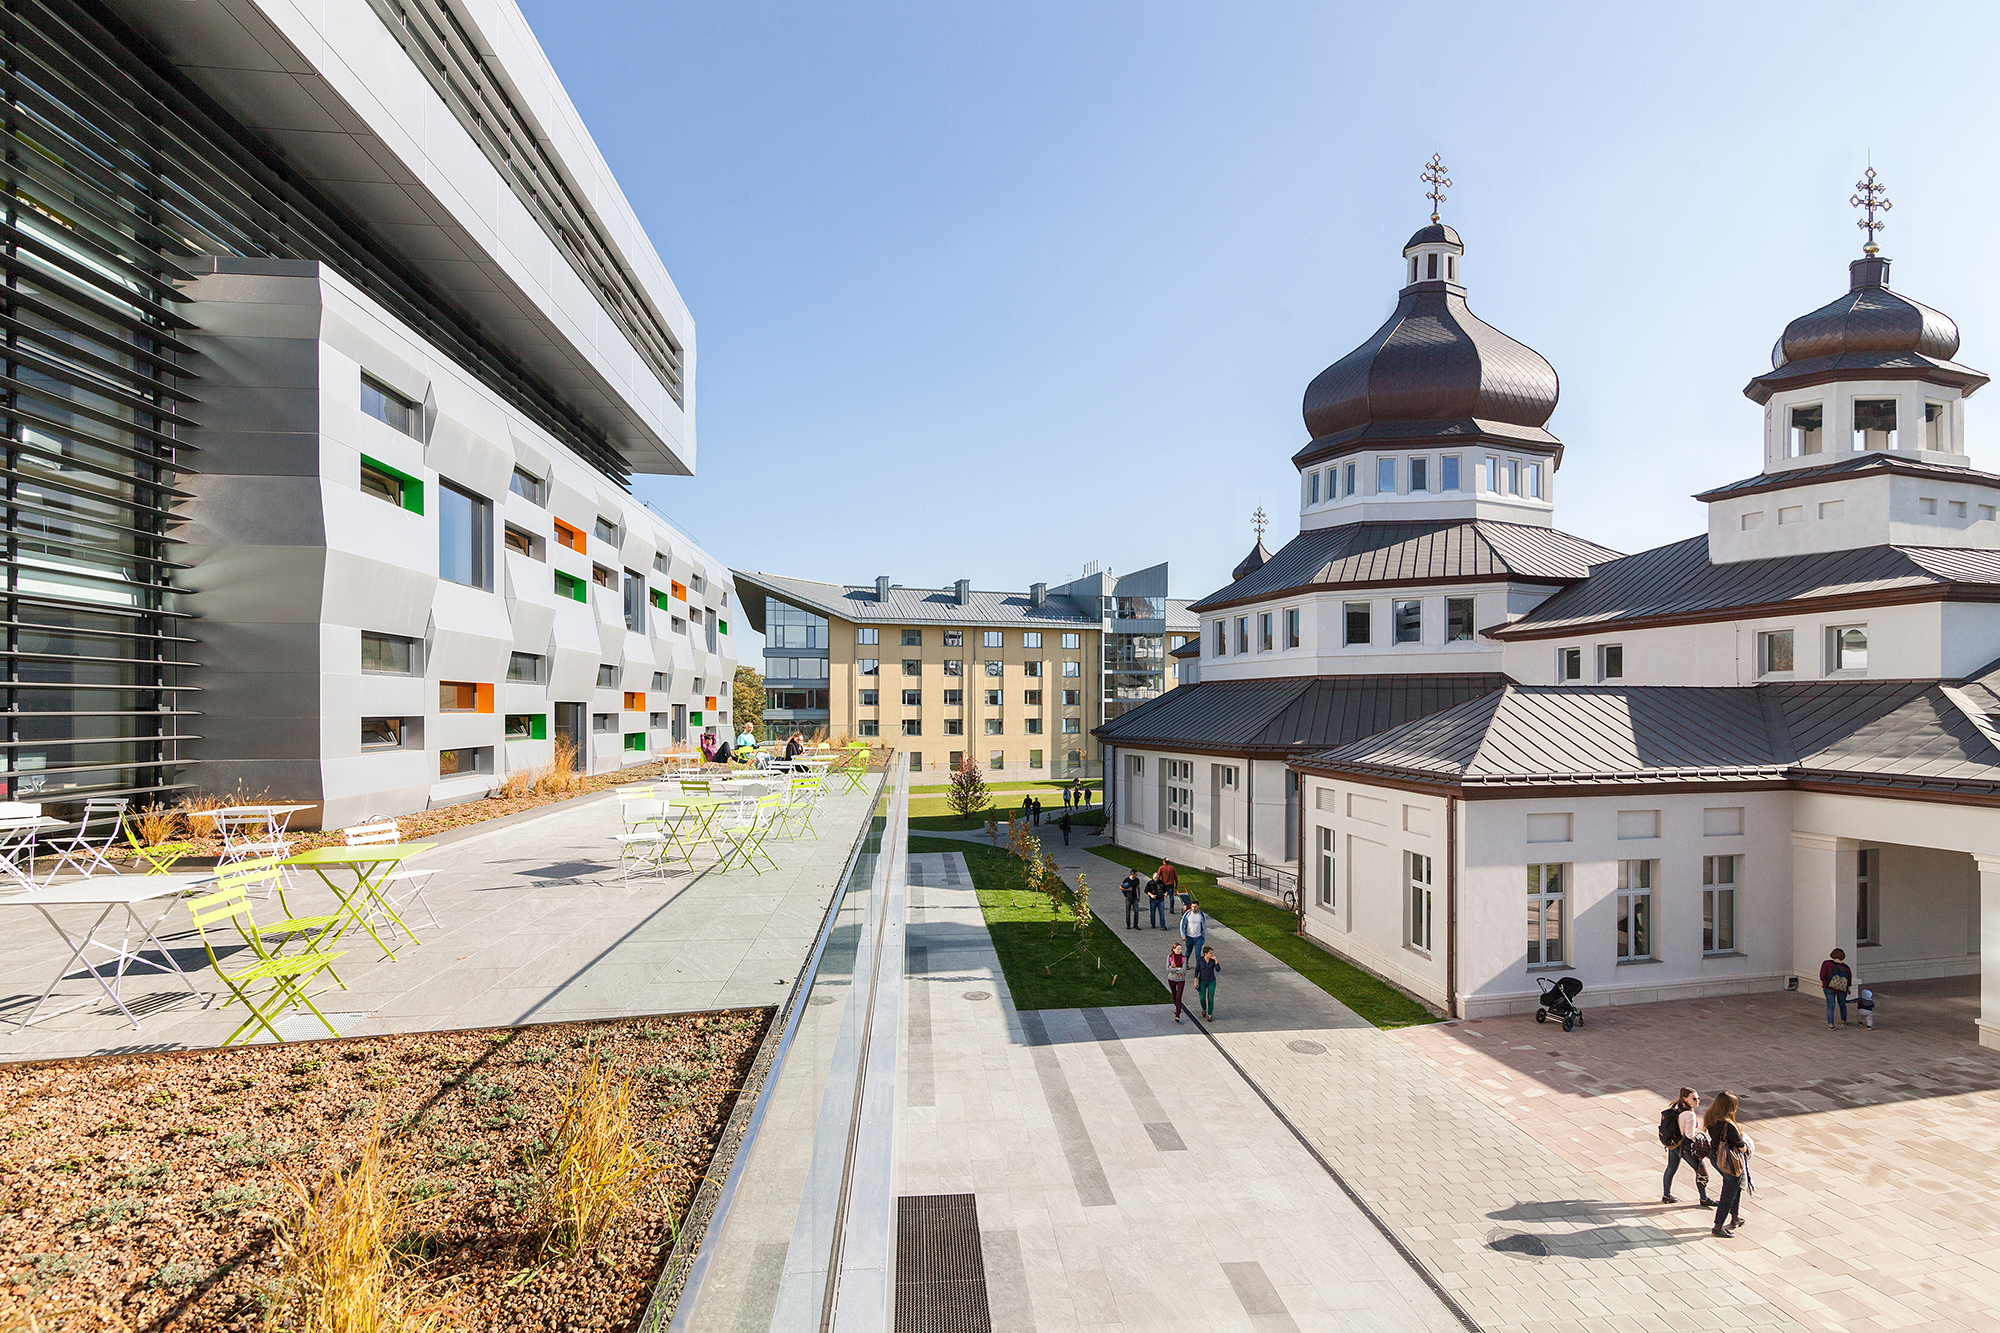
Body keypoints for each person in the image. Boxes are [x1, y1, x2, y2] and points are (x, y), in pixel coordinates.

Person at [1703, 1090, 1752, 1237]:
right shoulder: (1728, 1125)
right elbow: (1740, 1145)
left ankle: (1735, 1217)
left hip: (1715, 1156)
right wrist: (1747, 1148)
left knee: (1735, 1186)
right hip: (1729, 1160)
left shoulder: (1710, 1116)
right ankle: (1718, 1227)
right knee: (1728, 1193)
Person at [1660, 1087, 1714, 1208]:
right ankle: (1704, 1199)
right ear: (1685, 1099)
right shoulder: (1690, 1114)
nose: (1697, 1101)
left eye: (1698, 1098)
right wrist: (1701, 1139)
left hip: (1674, 1144)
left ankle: (1666, 1195)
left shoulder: (1675, 1108)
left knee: (1671, 1168)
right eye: (1694, 1099)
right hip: (1685, 1146)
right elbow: (1690, 1135)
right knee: (1701, 1172)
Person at [1820, 947, 1854, 1029]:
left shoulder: (1826, 963)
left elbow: (1822, 975)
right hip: (1842, 990)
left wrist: (1822, 983)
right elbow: (1849, 979)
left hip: (1829, 987)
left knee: (1830, 1006)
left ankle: (1831, 1024)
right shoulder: (1846, 967)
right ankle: (1843, 1020)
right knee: (1842, 1005)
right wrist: (1848, 988)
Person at [1179, 897, 1207, 970]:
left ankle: (1198, 966)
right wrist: (1183, 935)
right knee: (1188, 951)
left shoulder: (1201, 915)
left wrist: (1203, 937)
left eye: (1195, 907)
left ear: (1198, 907)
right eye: (1192, 907)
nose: (1193, 908)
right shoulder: (1188, 914)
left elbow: (1204, 927)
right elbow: (1183, 924)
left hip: (1198, 937)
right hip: (1189, 937)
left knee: (1198, 953)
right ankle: (1186, 963)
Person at [1194, 946, 1221, 1020]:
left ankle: (1210, 1014)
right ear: (1205, 954)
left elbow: (1218, 969)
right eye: (1210, 953)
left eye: (1212, 953)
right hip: (1202, 981)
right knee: (1202, 997)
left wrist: (1216, 961)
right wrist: (1195, 981)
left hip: (1211, 981)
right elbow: (1196, 970)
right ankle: (1204, 1009)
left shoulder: (1212, 961)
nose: (1211, 955)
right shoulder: (1200, 960)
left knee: (1210, 998)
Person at [1166, 944, 1187, 1023]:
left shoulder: (1183, 958)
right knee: (1174, 994)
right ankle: (1177, 1007)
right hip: (1171, 979)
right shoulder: (1170, 957)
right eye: (1178, 949)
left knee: (1179, 996)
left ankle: (1178, 1015)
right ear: (1173, 949)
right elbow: (1168, 969)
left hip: (1181, 979)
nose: (1179, 951)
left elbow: (1183, 970)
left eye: (1180, 949)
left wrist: (1174, 969)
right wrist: (1178, 968)